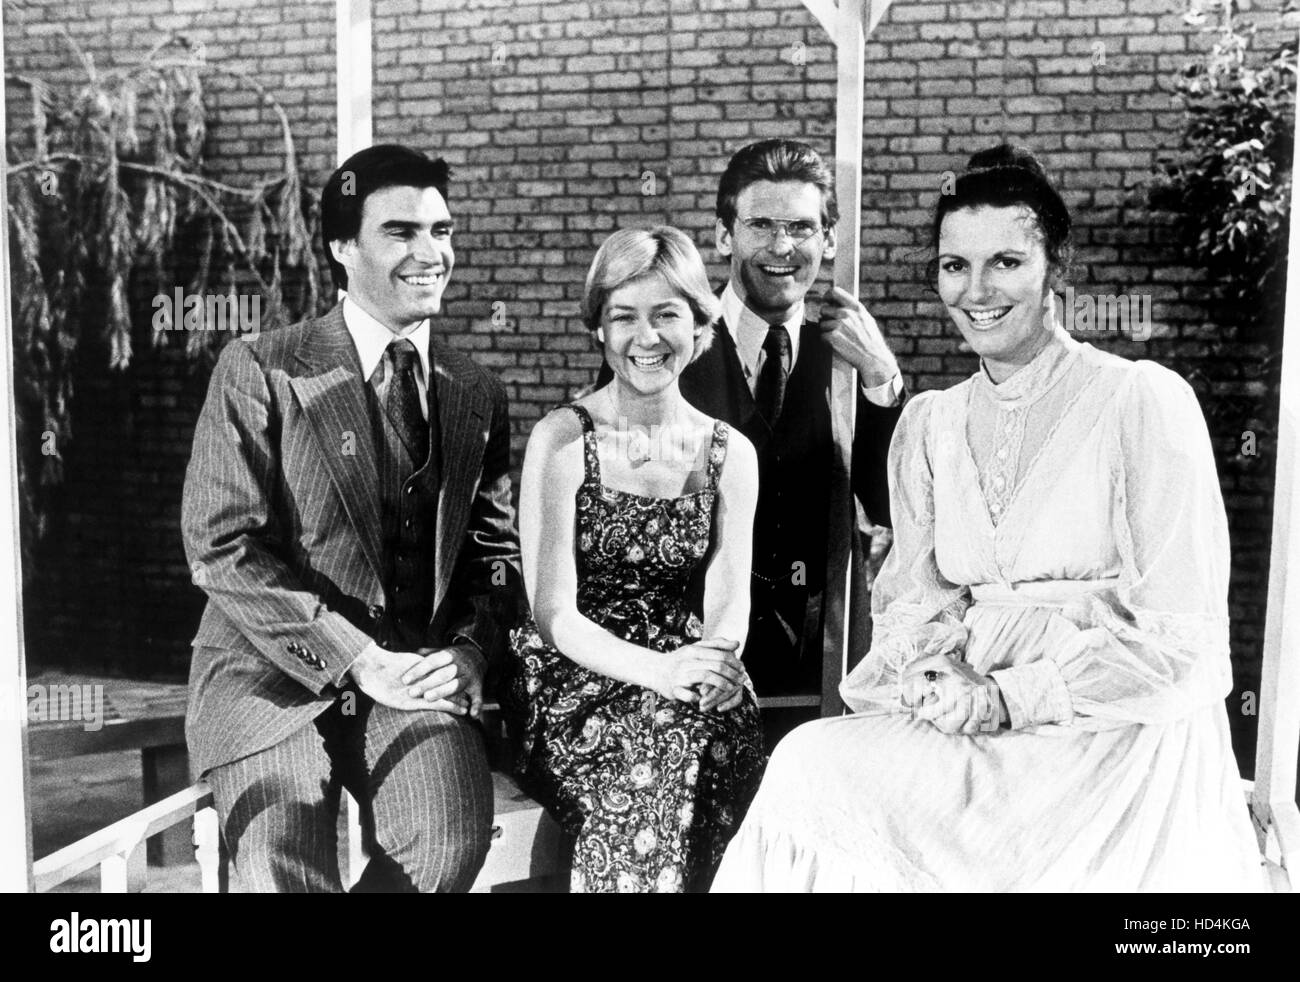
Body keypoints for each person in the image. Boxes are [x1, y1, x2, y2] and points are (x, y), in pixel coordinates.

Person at [712, 144, 1264, 891]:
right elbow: (915, 604)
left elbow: (1182, 637)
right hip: (972, 724)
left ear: (1056, 270)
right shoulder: (933, 424)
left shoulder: (1139, 401)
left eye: (1005, 261)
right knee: (810, 762)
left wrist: (1012, 695)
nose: (977, 290)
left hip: (1107, 729)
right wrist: (932, 672)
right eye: (954, 266)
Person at [182, 144, 523, 892]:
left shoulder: (475, 391)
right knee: (278, 856)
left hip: (410, 676)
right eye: (401, 232)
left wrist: (465, 654)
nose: (431, 253)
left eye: (442, 230)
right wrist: (356, 659)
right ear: (342, 248)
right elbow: (221, 548)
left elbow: (494, 557)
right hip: (268, 680)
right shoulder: (261, 368)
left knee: (447, 839)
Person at [506, 226, 765, 892]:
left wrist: (714, 660)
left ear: (700, 325)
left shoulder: (729, 453)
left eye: (666, 314)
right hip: (573, 677)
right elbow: (553, 614)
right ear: (599, 328)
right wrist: (661, 672)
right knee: (657, 751)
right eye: (624, 317)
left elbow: (729, 596)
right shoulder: (564, 440)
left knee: (719, 739)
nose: (645, 337)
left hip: (687, 663)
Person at [599, 139, 904, 695]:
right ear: (724, 235)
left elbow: (891, 505)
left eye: (802, 227)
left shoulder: (845, 359)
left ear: (830, 238)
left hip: (815, 662)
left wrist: (881, 379)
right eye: (760, 225)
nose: (781, 246)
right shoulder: (662, 346)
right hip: (680, 662)